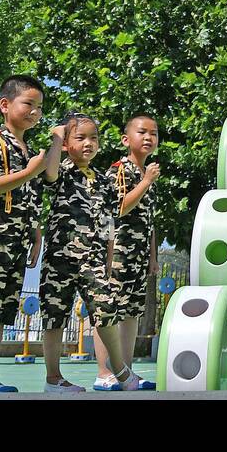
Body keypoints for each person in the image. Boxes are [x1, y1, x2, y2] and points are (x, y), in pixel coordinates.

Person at [0, 75, 62, 394]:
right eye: (28, 104)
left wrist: (35, 233)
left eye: (40, 107)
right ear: (5, 105)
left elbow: (44, 183)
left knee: (0, 308)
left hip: (17, 240)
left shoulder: (28, 148)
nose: (35, 112)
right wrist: (29, 171)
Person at [38, 113, 139, 392]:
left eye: (93, 138)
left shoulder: (103, 180)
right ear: (68, 143)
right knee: (54, 314)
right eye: (80, 138)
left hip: (92, 259)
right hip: (61, 257)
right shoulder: (61, 170)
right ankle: (53, 378)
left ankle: (120, 370)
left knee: (106, 308)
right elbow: (49, 174)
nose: (88, 143)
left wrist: (108, 258)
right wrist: (56, 140)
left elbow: (108, 221)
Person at [95, 114, 160, 391]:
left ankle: (127, 372)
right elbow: (118, 208)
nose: (148, 138)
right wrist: (145, 181)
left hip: (139, 254)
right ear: (126, 139)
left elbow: (150, 221)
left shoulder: (147, 173)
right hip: (118, 252)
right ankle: (104, 372)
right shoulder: (119, 170)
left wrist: (153, 257)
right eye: (142, 132)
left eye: (154, 133)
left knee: (132, 312)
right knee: (109, 311)